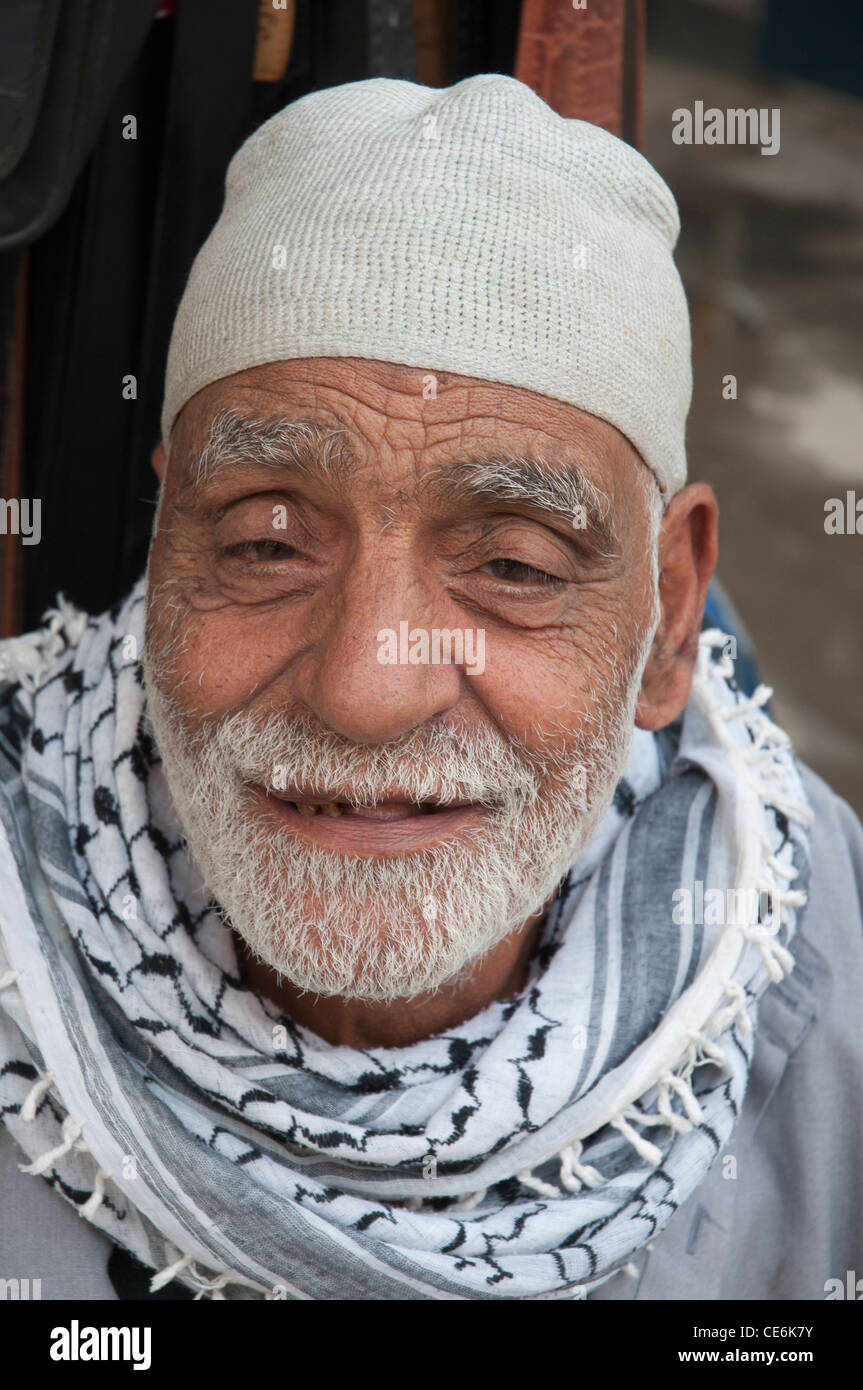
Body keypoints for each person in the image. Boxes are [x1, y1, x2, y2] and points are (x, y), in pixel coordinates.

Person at [0, 74, 860, 1302]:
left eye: (512, 565)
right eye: (263, 542)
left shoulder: (816, 964)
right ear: (164, 541)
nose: (364, 688)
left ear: (668, 617)